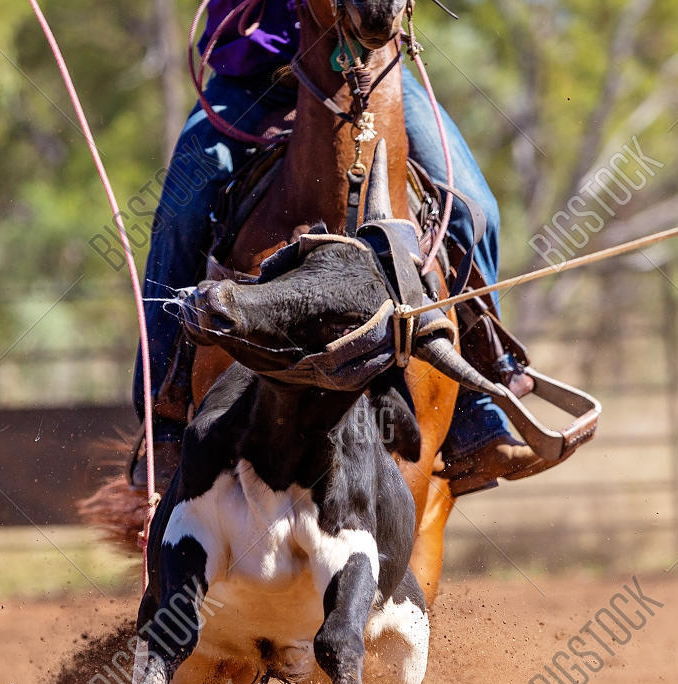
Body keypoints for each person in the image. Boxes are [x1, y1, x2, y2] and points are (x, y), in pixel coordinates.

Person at [129, 0, 543, 496]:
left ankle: (477, 407)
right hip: (257, 76)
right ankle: (164, 412)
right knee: (181, 212)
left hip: (376, 69)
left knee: (475, 209)